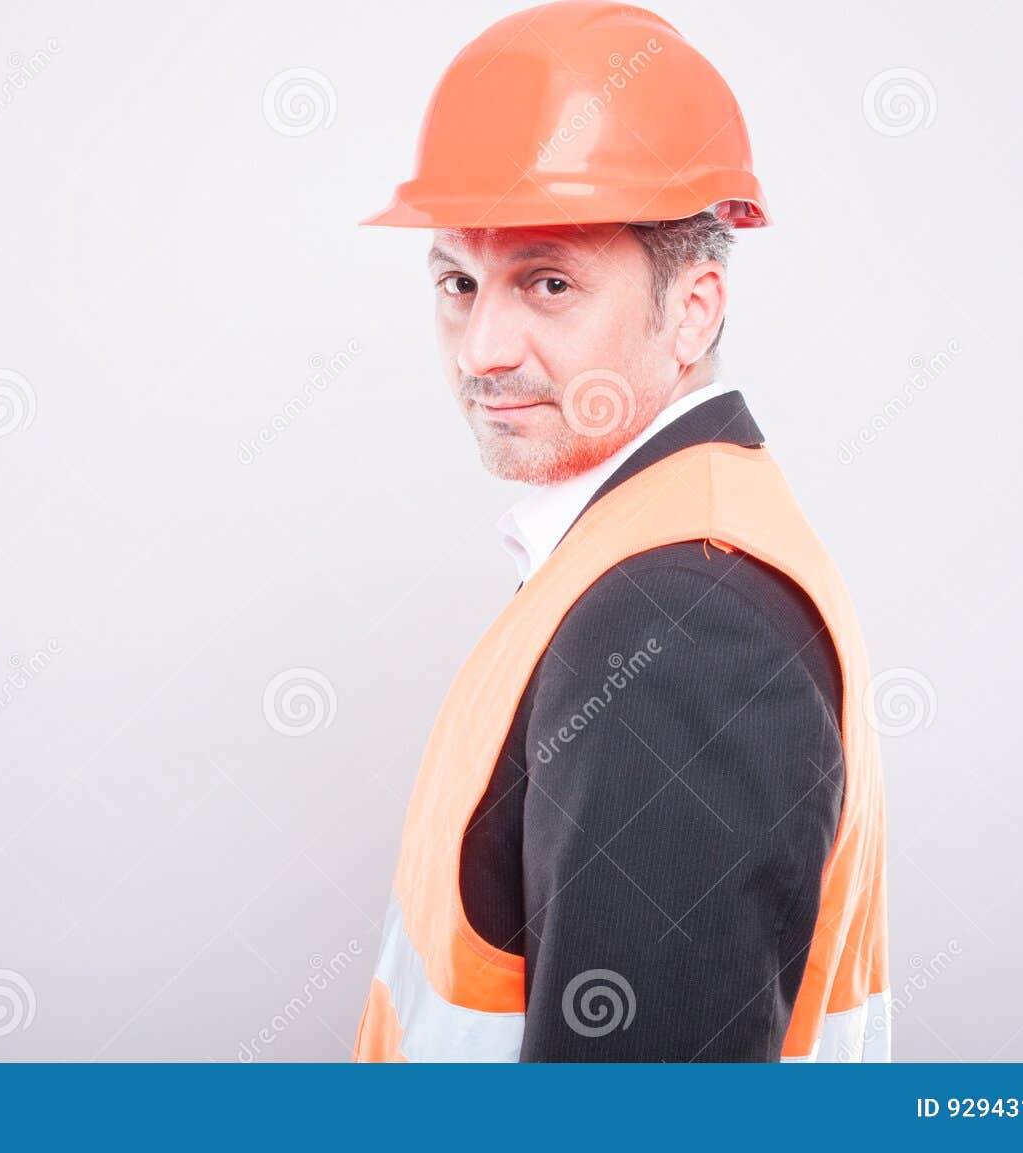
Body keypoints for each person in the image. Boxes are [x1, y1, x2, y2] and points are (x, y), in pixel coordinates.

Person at [353, 0, 889, 1062]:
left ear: (691, 311)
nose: (480, 349)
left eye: (548, 282)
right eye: (459, 283)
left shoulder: (683, 620)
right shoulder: (643, 550)